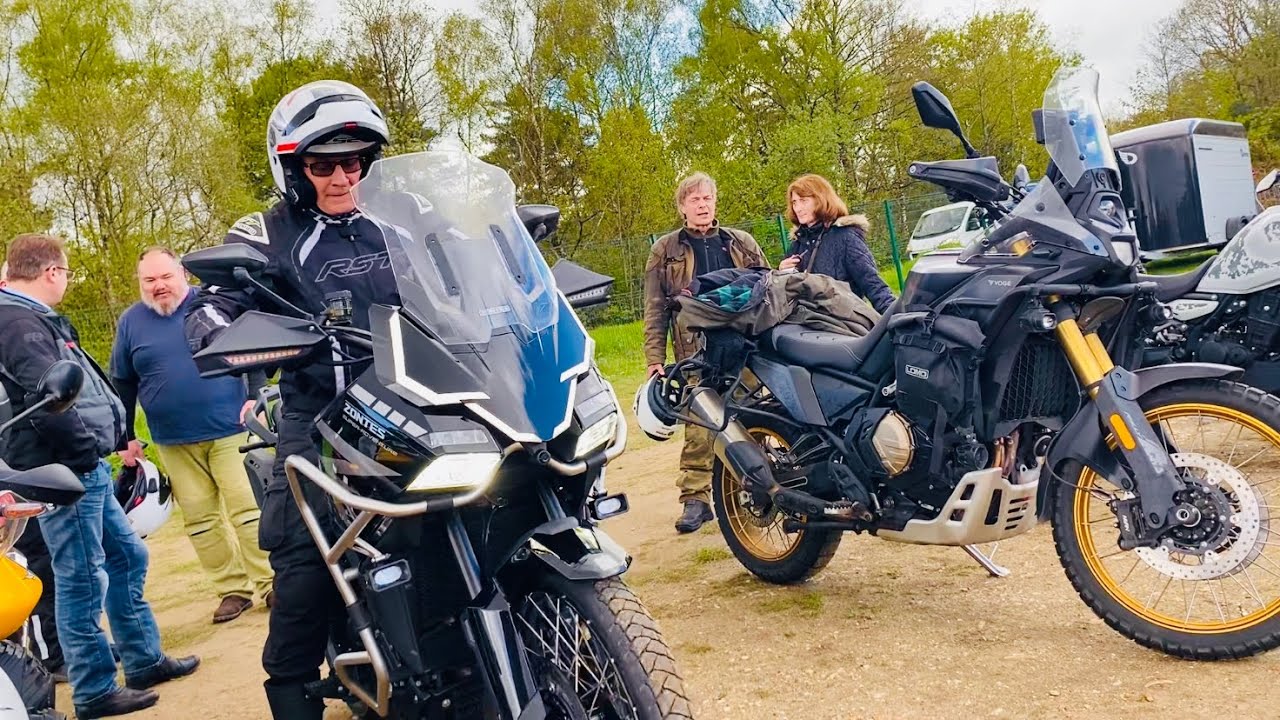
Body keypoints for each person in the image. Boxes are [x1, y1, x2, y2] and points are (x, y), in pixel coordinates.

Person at [185, 80, 398, 720]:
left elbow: (473, 266)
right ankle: (292, 689)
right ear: (294, 167)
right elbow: (211, 305)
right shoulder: (268, 232)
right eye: (323, 163)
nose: (341, 176)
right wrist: (224, 334)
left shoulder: (404, 218)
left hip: (425, 402)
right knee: (304, 563)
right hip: (324, 418)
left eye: (353, 161)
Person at [0, 233, 199, 719]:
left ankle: (144, 659)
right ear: (51, 272)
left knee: (127, 555)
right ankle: (92, 688)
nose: (65, 281)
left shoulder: (29, 317)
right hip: (63, 469)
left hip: (78, 463)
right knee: (82, 577)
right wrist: (86, 451)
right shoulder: (19, 322)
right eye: (65, 273)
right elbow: (47, 398)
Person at [111, 246, 275, 625]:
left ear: (183, 275)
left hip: (232, 429)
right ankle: (231, 590)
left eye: (166, 277)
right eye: (149, 280)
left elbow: (250, 356)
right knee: (201, 520)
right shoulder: (131, 322)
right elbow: (122, 382)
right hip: (172, 440)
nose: (159, 286)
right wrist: (124, 439)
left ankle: (271, 583)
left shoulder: (212, 306)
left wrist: (256, 400)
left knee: (249, 512)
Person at [643, 172, 768, 534]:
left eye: (707, 198)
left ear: (715, 202)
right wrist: (655, 359)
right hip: (695, 349)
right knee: (700, 427)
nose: (702, 205)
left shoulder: (741, 242)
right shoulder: (664, 251)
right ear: (682, 207)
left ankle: (756, 491)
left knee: (752, 418)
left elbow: (766, 288)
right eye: (694, 200)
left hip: (745, 346)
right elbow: (655, 309)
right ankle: (695, 501)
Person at [779, 174, 896, 314]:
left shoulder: (845, 237)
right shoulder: (798, 243)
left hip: (843, 325)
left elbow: (873, 284)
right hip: (806, 326)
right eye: (794, 202)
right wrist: (781, 274)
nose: (797, 208)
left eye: (803, 201)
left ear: (820, 199)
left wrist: (898, 321)